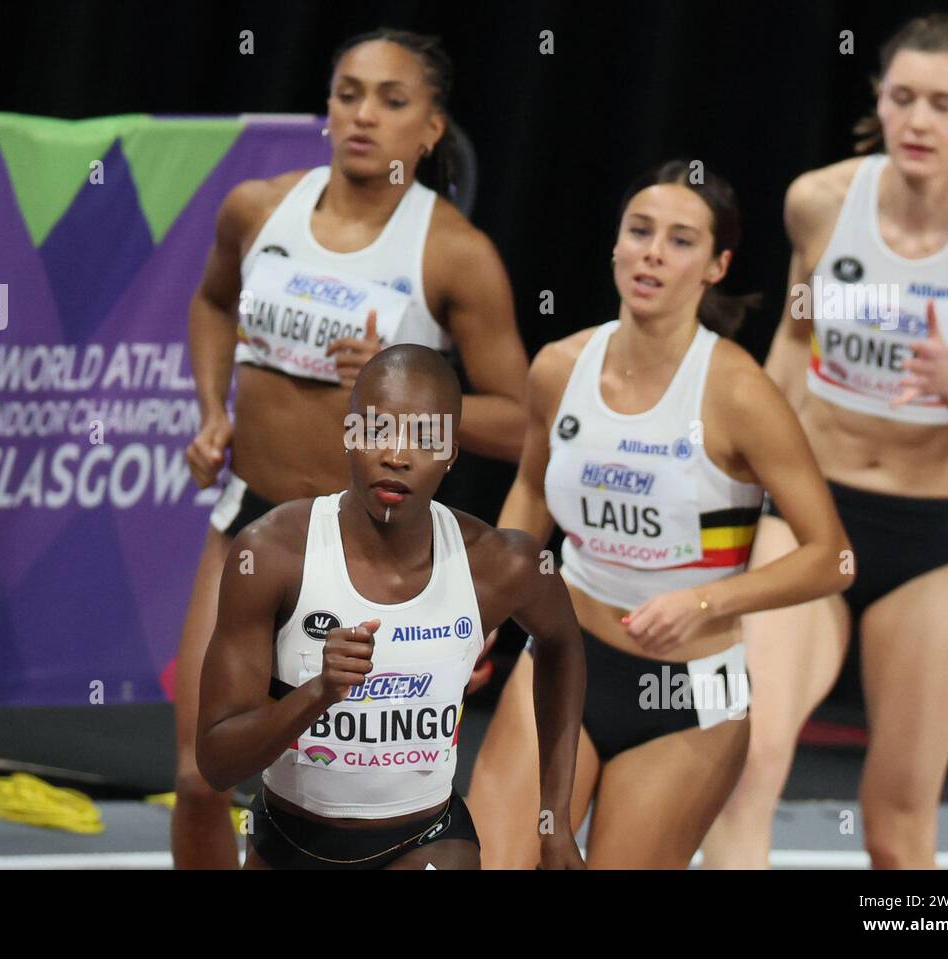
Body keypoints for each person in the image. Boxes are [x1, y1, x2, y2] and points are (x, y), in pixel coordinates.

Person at [172, 28, 529, 867]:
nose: (364, 115)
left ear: (432, 128)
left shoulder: (454, 255)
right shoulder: (258, 208)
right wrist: (210, 412)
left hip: (369, 552)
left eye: (392, 100)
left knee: (344, 792)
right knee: (199, 772)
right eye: (348, 93)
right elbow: (212, 301)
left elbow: (520, 421)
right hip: (255, 525)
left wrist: (409, 371)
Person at [703, 13, 948, 869]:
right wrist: (736, 467)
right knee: (748, 761)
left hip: (932, 541)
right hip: (809, 513)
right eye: (902, 98)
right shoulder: (820, 201)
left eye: (942, 103)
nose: (918, 121)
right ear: (880, 103)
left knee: (897, 825)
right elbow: (792, 337)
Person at [467, 160, 853, 868]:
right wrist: (482, 611)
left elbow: (831, 555)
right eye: (639, 231)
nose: (652, 251)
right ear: (615, 245)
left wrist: (709, 599)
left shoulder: (740, 392)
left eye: (680, 240)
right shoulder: (560, 366)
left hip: (690, 693)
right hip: (565, 661)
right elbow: (530, 493)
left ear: (716, 265)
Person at [194, 345, 585, 870]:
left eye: (424, 438)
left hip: (427, 837)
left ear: (451, 452)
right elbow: (217, 763)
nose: (397, 455)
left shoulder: (501, 565)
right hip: (288, 837)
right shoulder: (271, 555)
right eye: (377, 430)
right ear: (348, 433)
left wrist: (556, 822)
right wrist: (318, 692)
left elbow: (562, 644)